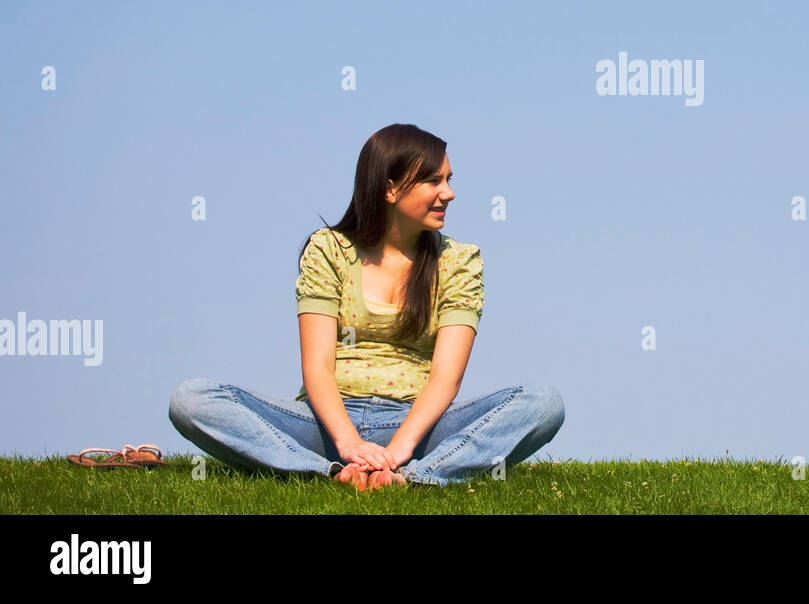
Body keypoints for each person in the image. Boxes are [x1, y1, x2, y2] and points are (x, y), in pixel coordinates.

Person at [168, 123, 564, 491]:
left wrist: (397, 452)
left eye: (449, 180)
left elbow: (446, 378)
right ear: (390, 189)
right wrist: (350, 444)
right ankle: (328, 471)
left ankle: (417, 476)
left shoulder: (459, 261)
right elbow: (317, 367)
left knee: (543, 403)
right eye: (433, 180)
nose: (449, 192)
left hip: (418, 424)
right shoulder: (329, 250)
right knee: (191, 399)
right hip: (324, 424)